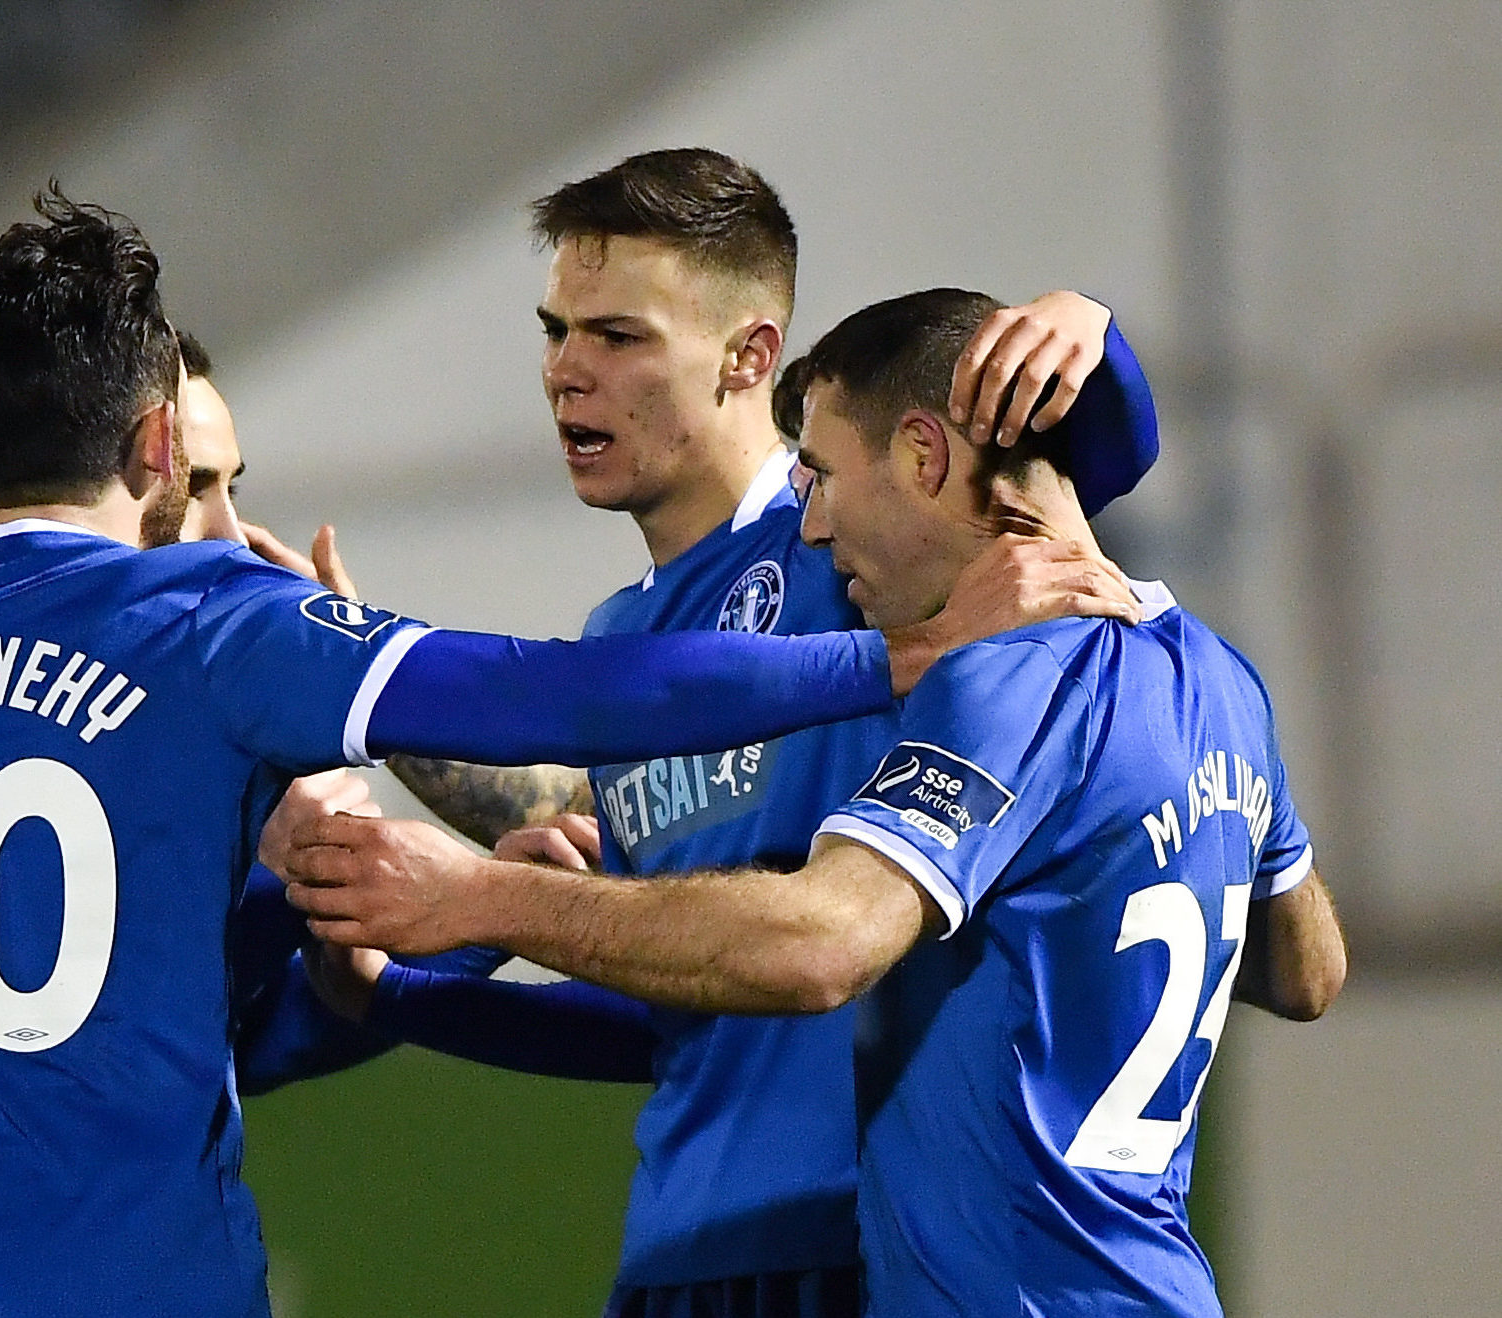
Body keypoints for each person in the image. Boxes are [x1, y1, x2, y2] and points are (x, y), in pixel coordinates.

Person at [0, 190, 1132, 1317]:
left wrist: (421, 933)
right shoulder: (211, 624)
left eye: (613, 332)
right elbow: (548, 693)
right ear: (156, 442)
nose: (563, 367)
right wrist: (880, 661)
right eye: (556, 329)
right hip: (133, 1276)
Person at [281, 286, 1348, 1318]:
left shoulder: (1004, 678)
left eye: (829, 477)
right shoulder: (1219, 681)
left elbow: (821, 944)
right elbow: (1307, 969)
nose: (821, 526)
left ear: (924, 456)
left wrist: (485, 900)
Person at [0, 330, 478, 1318]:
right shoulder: (21, 766)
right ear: (129, 467)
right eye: (196, 484)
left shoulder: (125, 755)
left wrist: (468, 907)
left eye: (237, 490)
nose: (230, 534)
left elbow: (251, 1039)